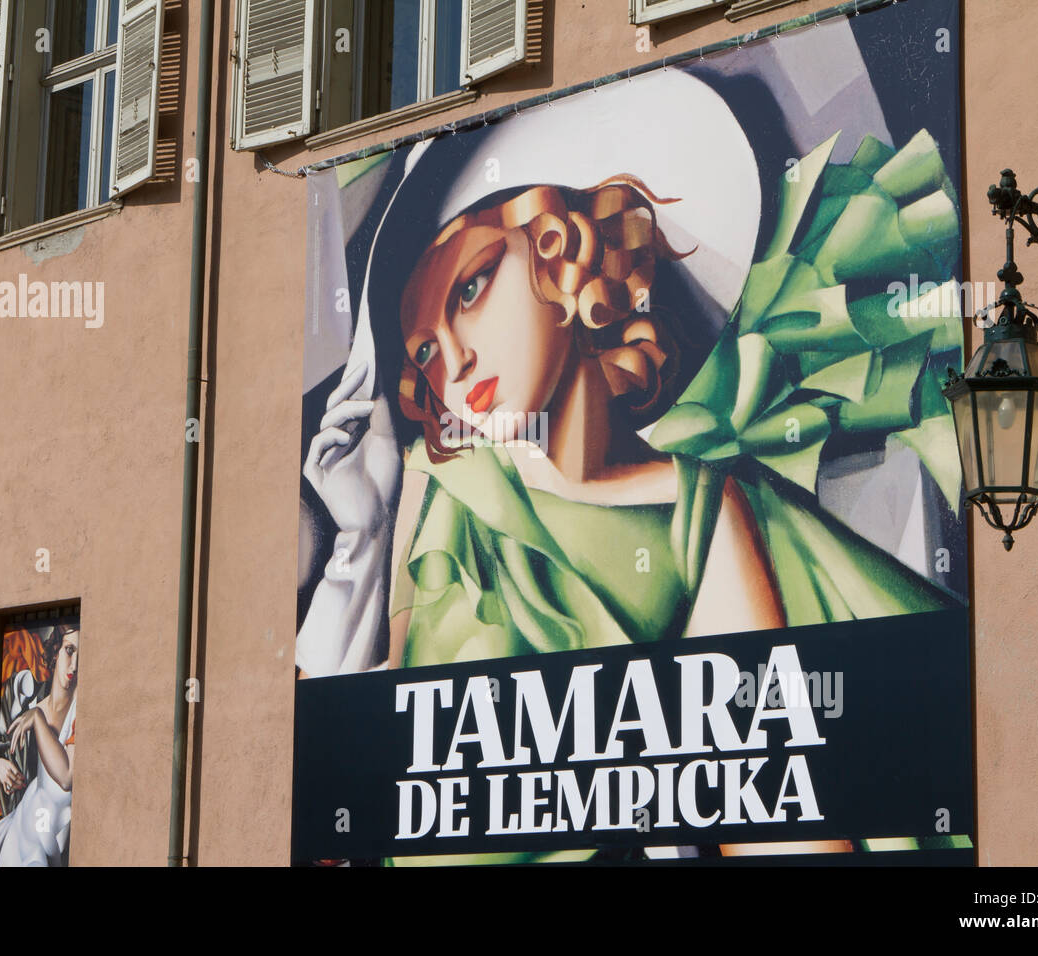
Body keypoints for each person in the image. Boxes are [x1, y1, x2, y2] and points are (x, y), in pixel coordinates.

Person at [298, 70, 965, 680]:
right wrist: (360, 538)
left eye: (471, 289)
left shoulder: (703, 508)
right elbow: (369, 735)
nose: (456, 359)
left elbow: (749, 752)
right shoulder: (442, 486)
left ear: (561, 253)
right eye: (424, 353)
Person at [0, 625, 78, 867]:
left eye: (82, 656)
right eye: (69, 650)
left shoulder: (80, 713)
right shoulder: (25, 700)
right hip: (21, 834)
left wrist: (38, 721)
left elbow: (66, 778)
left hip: (57, 837)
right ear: (56, 651)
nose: (74, 666)